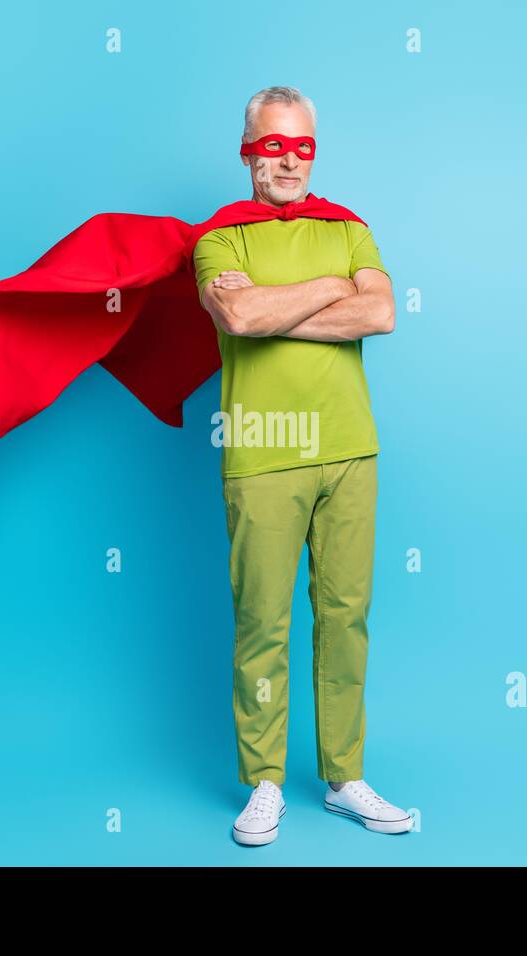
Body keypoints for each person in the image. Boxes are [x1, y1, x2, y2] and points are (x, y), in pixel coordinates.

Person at [193, 86, 412, 846]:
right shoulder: (220, 241)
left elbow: (380, 312)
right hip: (261, 453)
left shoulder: (350, 227)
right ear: (249, 150)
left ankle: (345, 776)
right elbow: (241, 317)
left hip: (351, 450)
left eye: (301, 146)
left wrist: (284, 305)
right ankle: (263, 782)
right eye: (273, 145)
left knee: (346, 617)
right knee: (262, 621)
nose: (288, 160)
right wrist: (327, 289)